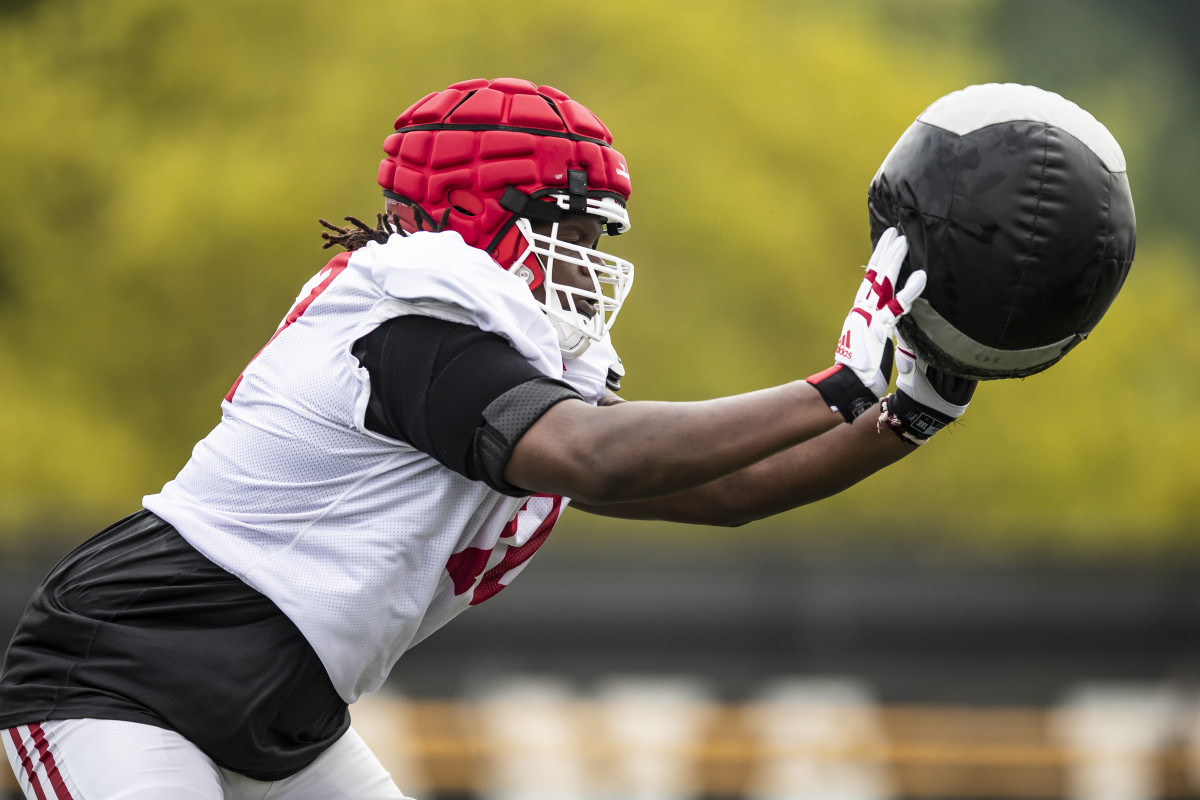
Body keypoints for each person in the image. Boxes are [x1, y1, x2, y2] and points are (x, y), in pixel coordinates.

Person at [0, 77, 976, 799]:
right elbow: (603, 456)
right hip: (121, 670)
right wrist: (836, 380)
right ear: (487, 217)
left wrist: (906, 415)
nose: (586, 267)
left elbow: (716, 493)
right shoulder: (413, 327)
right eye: (572, 231)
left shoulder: (486, 368)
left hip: (281, 714)